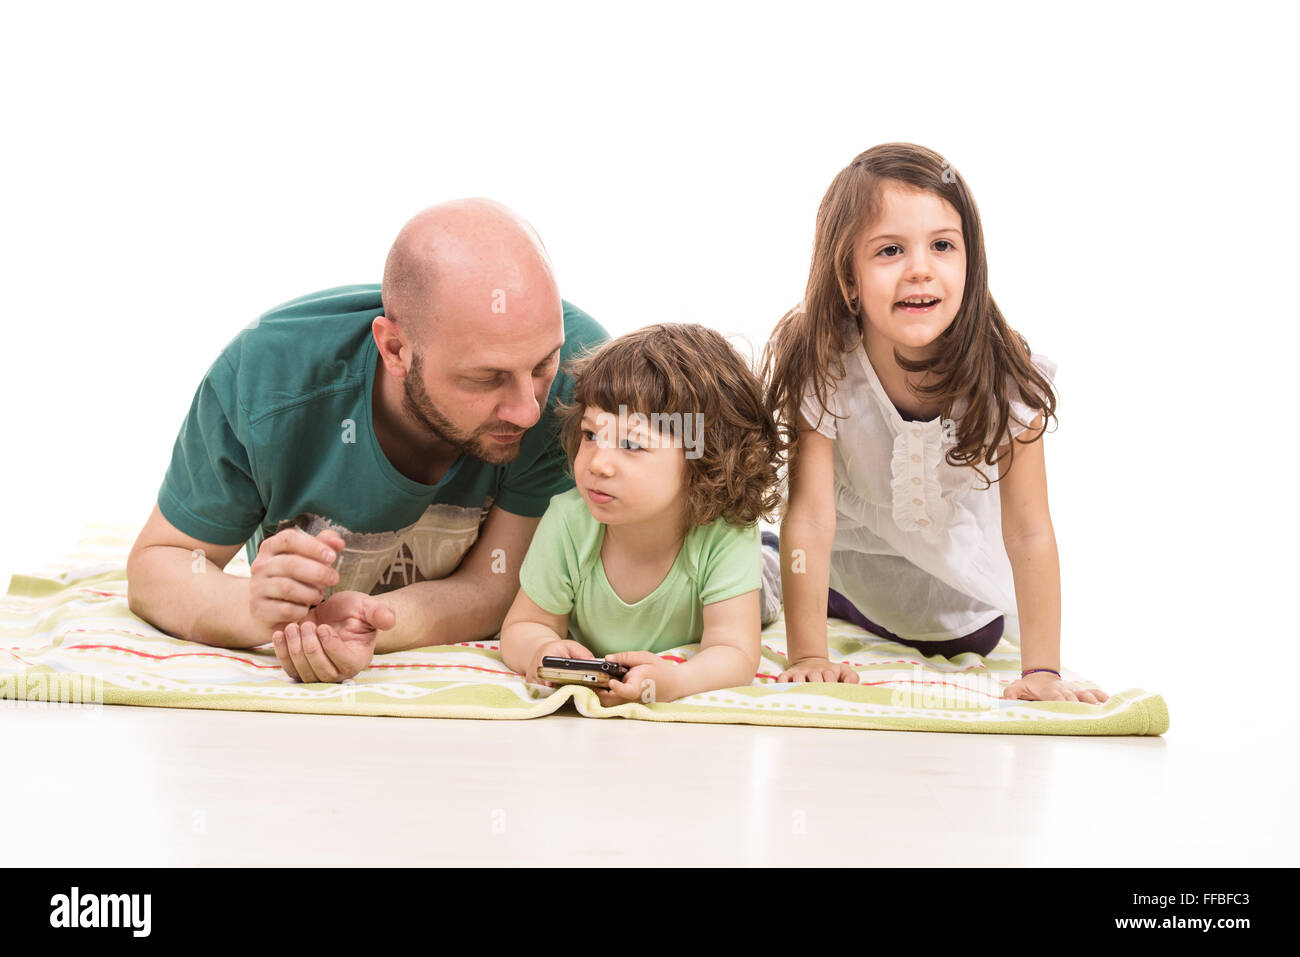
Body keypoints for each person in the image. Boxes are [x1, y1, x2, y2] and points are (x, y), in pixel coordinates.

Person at [126, 198, 609, 683]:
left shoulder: (579, 379)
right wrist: (253, 609)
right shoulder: (265, 378)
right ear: (395, 349)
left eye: (542, 363)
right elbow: (158, 566)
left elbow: (497, 583)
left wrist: (366, 627)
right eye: (486, 378)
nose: (528, 409)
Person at [761, 143, 1108, 703]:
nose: (920, 268)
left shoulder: (1006, 380)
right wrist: (808, 655)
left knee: (968, 631)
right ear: (848, 279)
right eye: (890, 250)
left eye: (942, 246)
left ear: (971, 266)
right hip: (839, 578)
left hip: (959, 610)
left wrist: (1043, 670)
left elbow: (1029, 530)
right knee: (765, 568)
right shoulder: (826, 362)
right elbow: (811, 516)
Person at [498, 324, 783, 705]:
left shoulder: (727, 533)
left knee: (770, 577)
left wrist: (674, 682)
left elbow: (735, 653)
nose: (597, 464)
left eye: (631, 444)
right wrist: (542, 650)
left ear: (704, 457)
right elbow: (523, 626)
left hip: (755, 573)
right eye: (591, 435)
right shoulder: (568, 521)